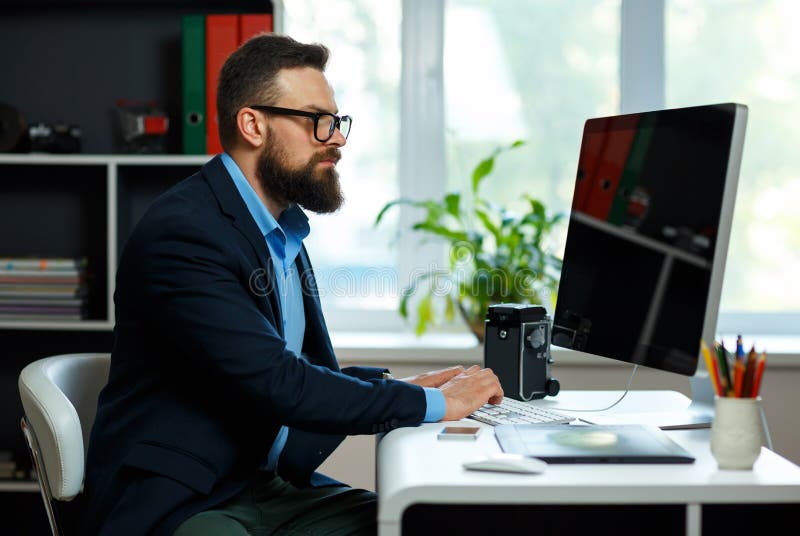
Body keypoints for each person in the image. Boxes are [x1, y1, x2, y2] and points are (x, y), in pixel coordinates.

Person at [83, 33, 503, 536]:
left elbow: (289, 371)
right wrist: (433, 405)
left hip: (261, 485)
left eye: (337, 122)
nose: (338, 138)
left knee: (423, 521)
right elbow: (278, 383)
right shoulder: (185, 232)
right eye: (317, 121)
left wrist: (396, 389)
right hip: (186, 501)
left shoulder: (280, 232)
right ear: (253, 124)